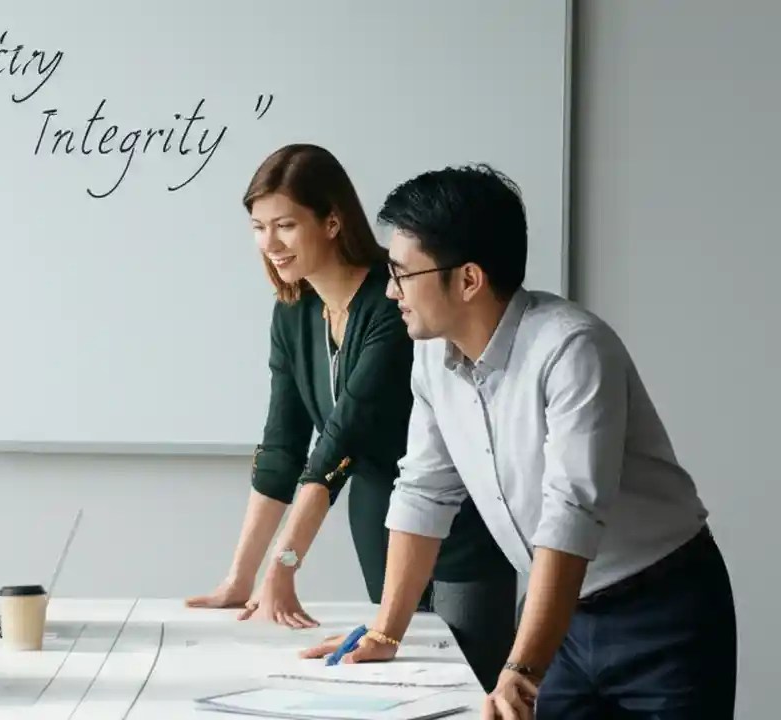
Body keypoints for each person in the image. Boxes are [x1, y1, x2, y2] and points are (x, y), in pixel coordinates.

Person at [306, 164, 736, 718]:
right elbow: (423, 491)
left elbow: (570, 515)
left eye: (401, 274)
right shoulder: (432, 355)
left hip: (661, 610)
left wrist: (521, 669)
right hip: (559, 610)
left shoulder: (571, 349)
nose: (389, 292)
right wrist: (387, 631)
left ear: (468, 280)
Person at [186, 144, 516, 690]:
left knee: (465, 684)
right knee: (398, 680)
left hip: (459, 522)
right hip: (379, 518)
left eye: (286, 225)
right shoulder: (293, 312)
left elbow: (338, 442)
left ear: (333, 221)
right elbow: (282, 447)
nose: (270, 244)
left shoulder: (392, 301)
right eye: (257, 227)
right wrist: (240, 580)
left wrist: (284, 566)